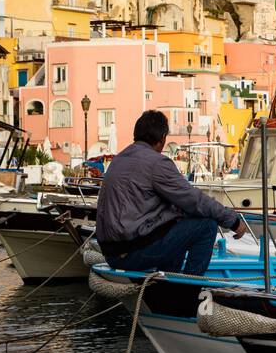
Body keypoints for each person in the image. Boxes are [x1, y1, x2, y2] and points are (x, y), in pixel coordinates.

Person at [95, 110, 248, 275]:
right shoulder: (156, 163)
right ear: (162, 138)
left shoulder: (119, 159)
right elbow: (194, 199)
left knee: (177, 222)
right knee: (207, 226)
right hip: (132, 253)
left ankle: (168, 281)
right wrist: (232, 221)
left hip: (112, 252)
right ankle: (189, 290)